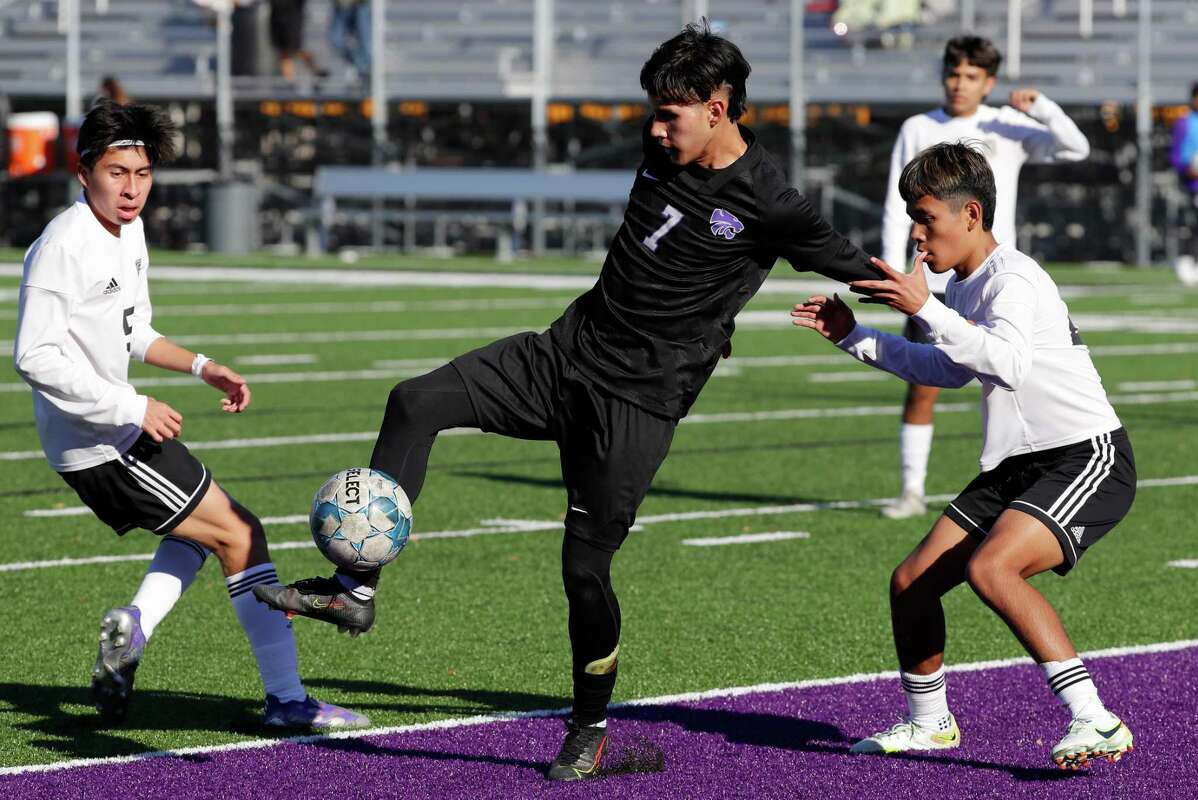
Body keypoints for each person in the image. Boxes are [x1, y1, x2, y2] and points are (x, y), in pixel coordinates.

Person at [255, 22, 879, 781]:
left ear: (720, 109)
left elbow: (864, 270)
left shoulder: (773, 202)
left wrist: (940, 296)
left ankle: (590, 725)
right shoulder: (659, 155)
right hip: (560, 357)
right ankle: (355, 591)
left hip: (636, 405)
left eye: (668, 114)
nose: (652, 129)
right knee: (414, 401)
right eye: (651, 111)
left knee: (583, 571)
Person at [12, 99, 366, 730]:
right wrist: (132, 404)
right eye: (117, 172)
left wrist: (203, 366)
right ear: (82, 170)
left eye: (142, 175)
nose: (131, 189)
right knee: (241, 533)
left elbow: (134, 331)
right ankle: (287, 701)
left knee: (198, 537)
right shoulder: (63, 246)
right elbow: (33, 356)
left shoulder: (128, 230)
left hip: (111, 431)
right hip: (99, 440)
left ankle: (135, 625)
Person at [792, 142, 1135, 769]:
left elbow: (1006, 362)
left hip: (1085, 457)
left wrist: (923, 307)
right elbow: (948, 369)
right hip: (1020, 465)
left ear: (971, 214)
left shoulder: (1013, 278)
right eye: (913, 220)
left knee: (993, 570)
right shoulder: (967, 283)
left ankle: (1096, 719)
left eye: (927, 218)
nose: (917, 236)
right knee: (911, 583)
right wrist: (855, 338)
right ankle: (930, 723)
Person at [878, 35, 1090, 520]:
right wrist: (898, 270)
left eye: (972, 76)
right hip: (932, 281)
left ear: (989, 82)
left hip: (993, 281)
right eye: (953, 74)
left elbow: (1075, 149)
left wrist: (1043, 107)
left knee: (1011, 381)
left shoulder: (1007, 124)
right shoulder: (918, 127)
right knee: (924, 383)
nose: (960, 84)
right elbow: (898, 206)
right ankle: (912, 489)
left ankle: (1030, 486)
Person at [1169, 82, 1198, 287]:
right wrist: (1188, 169)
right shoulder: (1185, 122)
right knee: (1194, 225)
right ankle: (1190, 262)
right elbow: (1177, 156)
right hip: (1194, 184)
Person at [329, 0, 371, 85]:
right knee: (335, 39)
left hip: (361, 5)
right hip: (341, 5)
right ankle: (358, 65)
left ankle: (363, 72)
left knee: (364, 41)